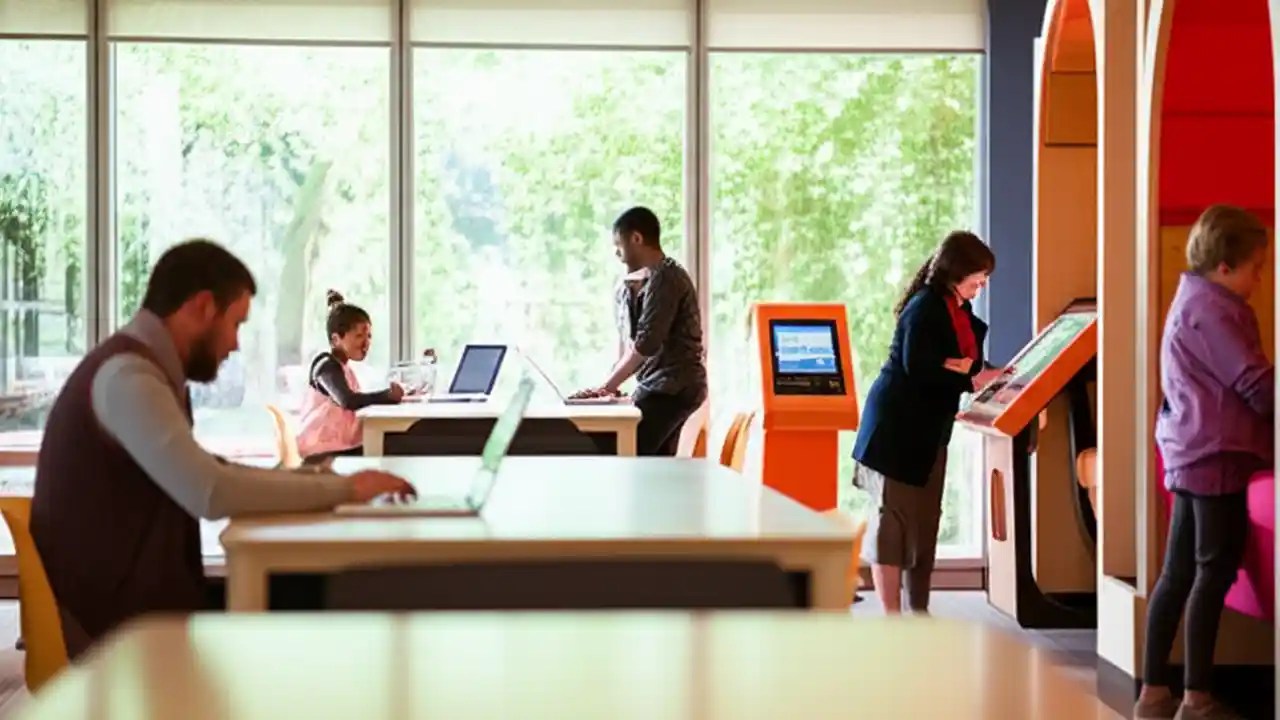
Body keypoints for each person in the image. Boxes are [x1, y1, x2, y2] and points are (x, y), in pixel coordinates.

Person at [30, 239, 416, 659]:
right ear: (201, 307)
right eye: (235, 324)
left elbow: (204, 469)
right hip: (124, 631)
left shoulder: (144, 370)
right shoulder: (129, 377)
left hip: (140, 606)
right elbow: (209, 490)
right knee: (328, 594)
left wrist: (317, 477)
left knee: (318, 586)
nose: (234, 345)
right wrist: (345, 490)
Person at [1135, 205, 1272, 720]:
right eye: (1256, 267)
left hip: (1189, 451)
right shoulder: (1216, 310)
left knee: (1177, 574)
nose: (1260, 278)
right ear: (1225, 266)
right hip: (1215, 455)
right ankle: (1196, 697)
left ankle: (1154, 692)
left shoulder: (1191, 297)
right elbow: (1254, 384)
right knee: (1212, 574)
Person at [851, 230, 1004, 614]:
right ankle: (891, 614)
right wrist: (968, 375)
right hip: (896, 432)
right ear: (957, 272)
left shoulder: (959, 311)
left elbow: (958, 365)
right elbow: (919, 368)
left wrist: (970, 372)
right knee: (894, 525)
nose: (982, 285)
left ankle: (918, 610)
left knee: (923, 526)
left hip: (928, 431)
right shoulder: (925, 307)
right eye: (978, 277)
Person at [575, 207, 708, 456]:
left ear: (636, 239)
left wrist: (605, 387)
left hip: (672, 387)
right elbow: (632, 345)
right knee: (655, 465)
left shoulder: (666, 276)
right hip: (665, 386)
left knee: (622, 450)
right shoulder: (644, 282)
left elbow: (647, 344)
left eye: (619, 245)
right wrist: (611, 387)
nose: (617, 254)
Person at [296, 290, 404, 463]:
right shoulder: (327, 366)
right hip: (321, 451)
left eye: (368, 336)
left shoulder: (344, 368)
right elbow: (348, 400)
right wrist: (387, 396)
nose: (366, 342)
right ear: (336, 340)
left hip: (339, 446)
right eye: (359, 336)